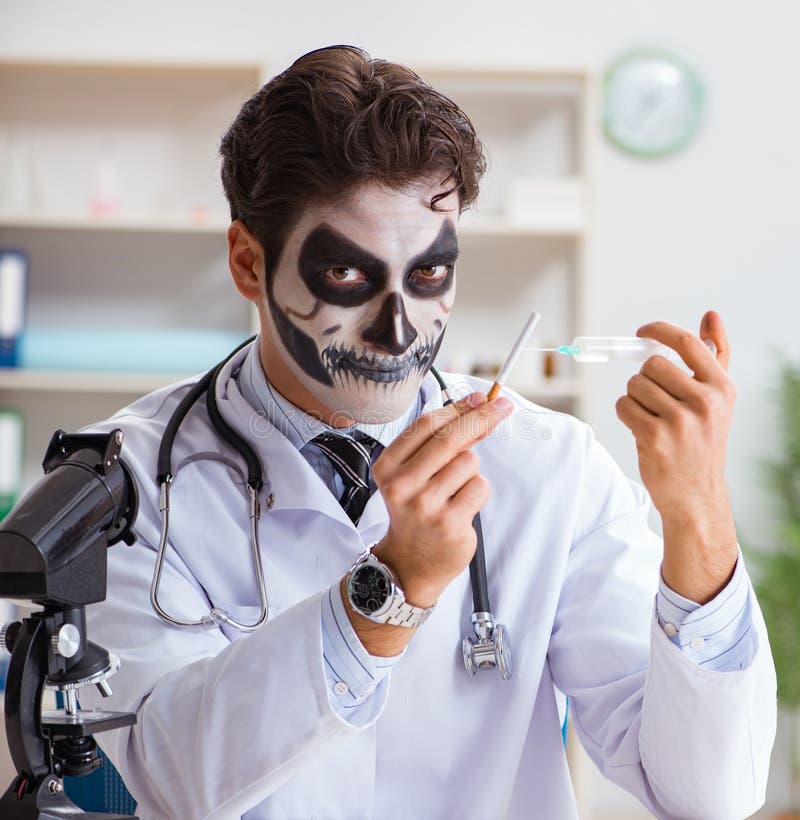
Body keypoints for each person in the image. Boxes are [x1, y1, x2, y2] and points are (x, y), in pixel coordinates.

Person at [80, 45, 776, 819]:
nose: (399, 330)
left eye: (428, 275)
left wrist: (700, 516)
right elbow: (151, 781)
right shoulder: (125, 483)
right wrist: (389, 592)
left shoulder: (551, 468)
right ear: (248, 262)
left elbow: (710, 795)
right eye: (347, 275)